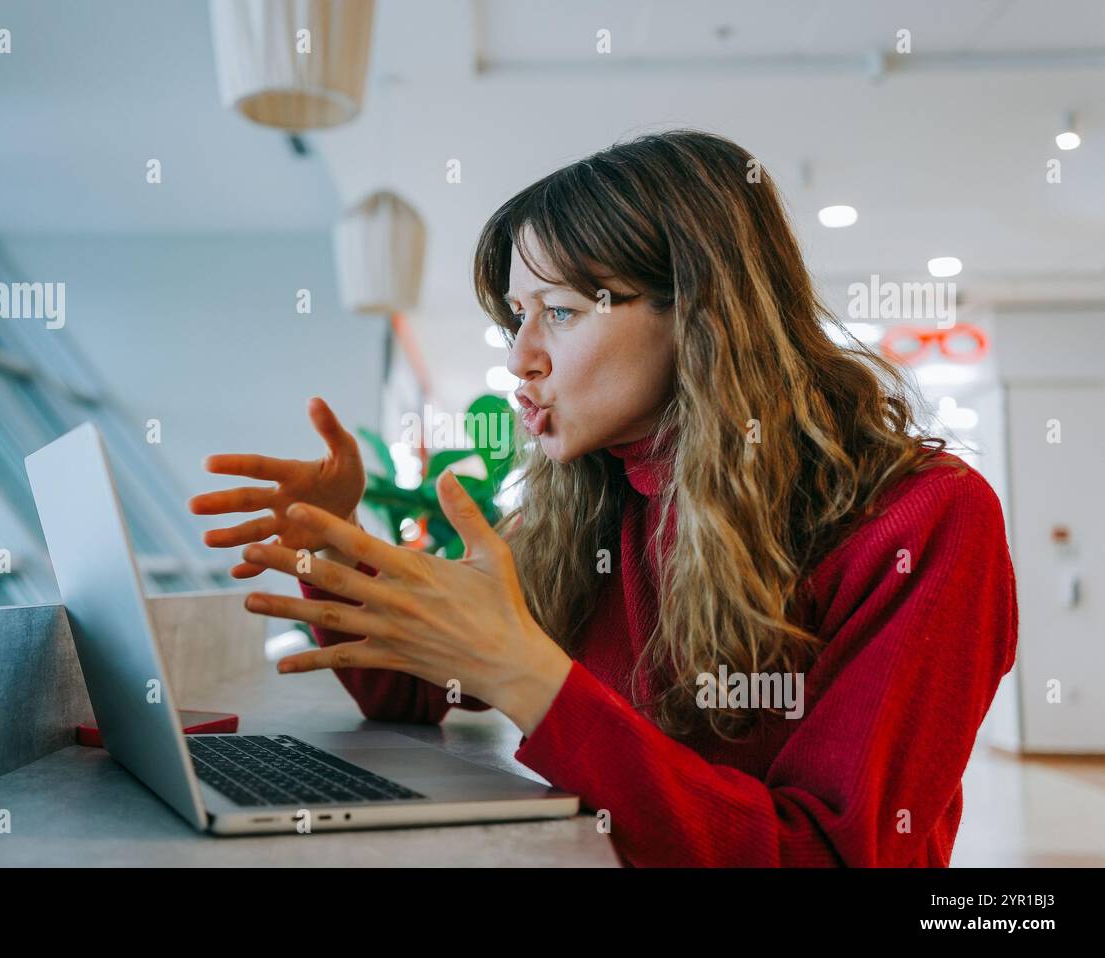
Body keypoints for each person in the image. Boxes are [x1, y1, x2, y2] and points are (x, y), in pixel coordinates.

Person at [188, 130, 1018, 867]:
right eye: (514, 317)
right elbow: (415, 694)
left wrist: (533, 678)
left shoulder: (924, 519)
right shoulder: (585, 501)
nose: (520, 358)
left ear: (701, 312)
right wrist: (332, 540)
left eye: (560, 310)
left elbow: (828, 855)